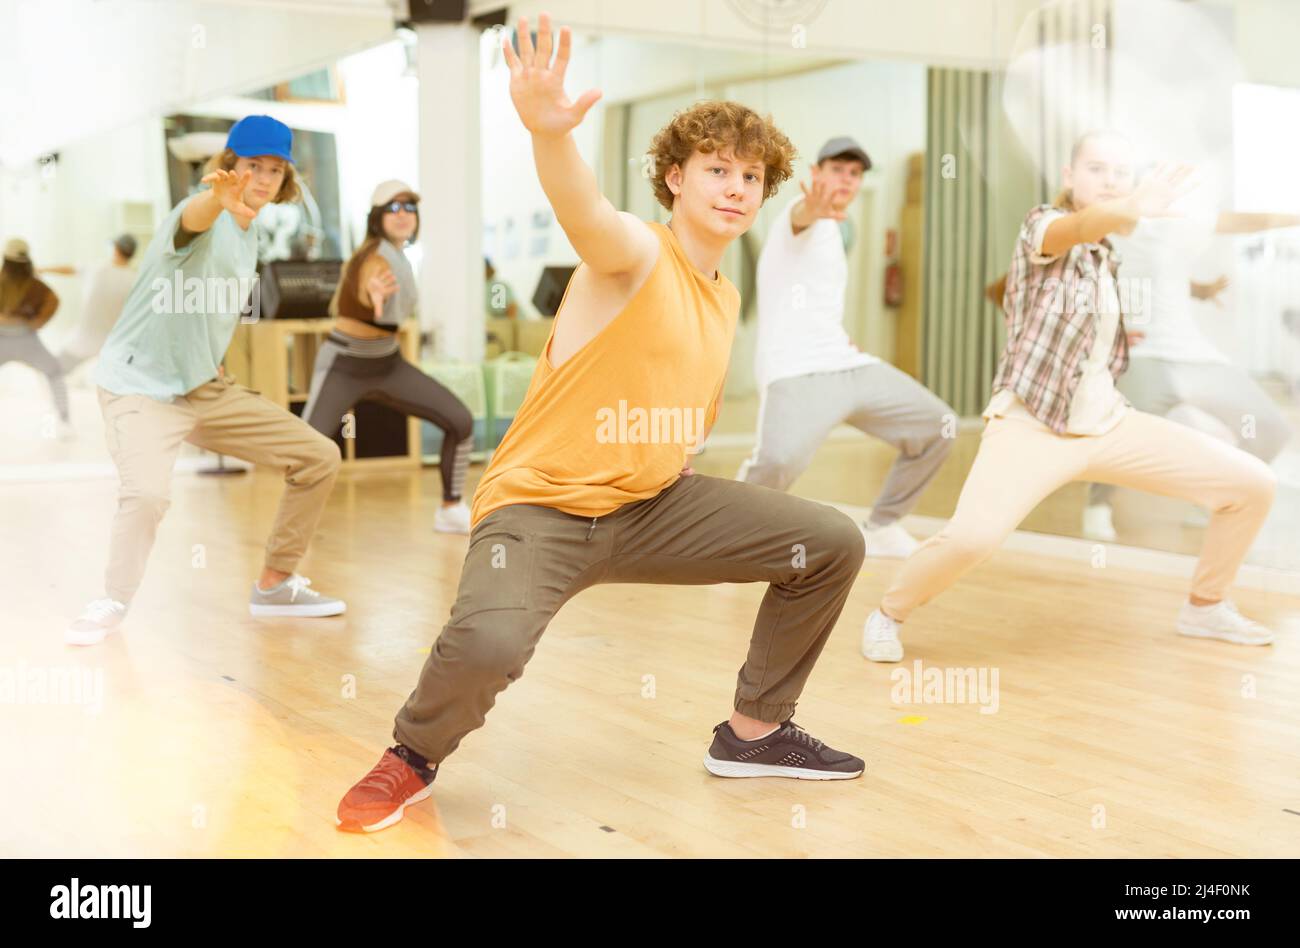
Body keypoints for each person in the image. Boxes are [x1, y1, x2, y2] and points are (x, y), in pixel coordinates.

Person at [336, 13, 867, 834]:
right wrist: (550, 134)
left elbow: (679, 399)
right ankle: (410, 756)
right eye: (717, 169)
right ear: (675, 178)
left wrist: (672, 452)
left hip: (651, 508)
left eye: (752, 176)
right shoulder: (635, 253)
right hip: (541, 508)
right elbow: (583, 210)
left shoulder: (724, 295)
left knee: (829, 542)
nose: (735, 187)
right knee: (490, 646)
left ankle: (755, 730)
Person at [861, 130, 1278, 663]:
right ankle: (888, 613)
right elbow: (1078, 227)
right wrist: (1132, 204)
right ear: (1069, 176)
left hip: (1108, 424)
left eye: (1120, 173)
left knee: (1251, 484)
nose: (1110, 181)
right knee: (972, 540)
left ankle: (1205, 605)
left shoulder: (1107, 256)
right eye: (1096, 169)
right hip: (1031, 425)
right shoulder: (1042, 225)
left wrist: (1113, 340)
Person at [66, 115, 346, 646]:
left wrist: (210, 359)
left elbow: (211, 308)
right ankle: (113, 601)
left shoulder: (250, 232)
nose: (263, 178)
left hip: (203, 388)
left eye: (275, 170)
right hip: (139, 386)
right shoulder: (199, 212)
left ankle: (275, 584)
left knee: (319, 456)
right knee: (147, 494)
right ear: (229, 166)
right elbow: (193, 221)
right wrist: (215, 200)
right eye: (252, 166)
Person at [738, 136, 955, 558]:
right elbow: (803, 216)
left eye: (854, 174)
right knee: (779, 462)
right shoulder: (797, 217)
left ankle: (883, 526)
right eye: (837, 170)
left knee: (939, 425)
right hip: (796, 371)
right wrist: (812, 207)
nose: (846, 180)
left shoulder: (840, 231)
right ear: (815, 175)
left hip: (845, 362)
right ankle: (728, 530)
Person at [1081, 203, 1300, 539]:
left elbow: (1256, 220)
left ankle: (1214, 498)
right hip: (1144, 356)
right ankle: (1098, 505)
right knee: (1120, 435)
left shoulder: (1180, 225)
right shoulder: (1100, 232)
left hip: (1195, 357)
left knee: (1268, 427)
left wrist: (1201, 291)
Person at [303, 181, 475, 533]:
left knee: (460, 420)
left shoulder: (403, 257)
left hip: (387, 364)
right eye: (393, 208)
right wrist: (373, 293)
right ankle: (294, 526)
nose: (402, 215)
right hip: (345, 365)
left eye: (409, 208)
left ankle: (450, 508)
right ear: (377, 217)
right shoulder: (372, 255)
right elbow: (371, 279)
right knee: (306, 448)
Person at [0, 237, 72, 438]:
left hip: (13, 339)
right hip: (26, 339)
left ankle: (64, 419)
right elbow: (53, 302)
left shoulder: (34, 286)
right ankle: (64, 419)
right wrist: (34, 322)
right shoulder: (38, 287)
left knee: (54, 371)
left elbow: (53, 302)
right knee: (54, 372)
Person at [39, 234, 138, 375]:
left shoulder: (96, 269)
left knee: (55, 374)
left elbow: (69, 269)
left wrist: (42, 270)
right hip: (113, 346)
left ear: (116, 249)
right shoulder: (134, 279)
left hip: (83, 341)